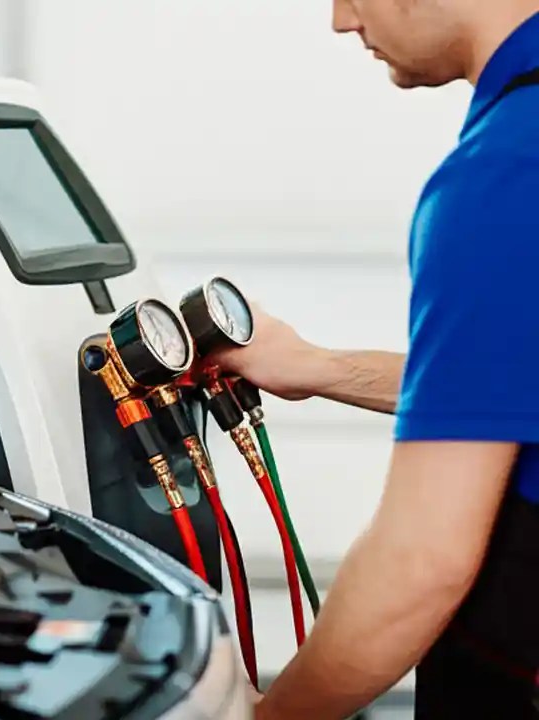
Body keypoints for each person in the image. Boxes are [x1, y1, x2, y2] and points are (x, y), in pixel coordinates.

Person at [215, 1, 539, 717]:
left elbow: (422, 563)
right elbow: (516, 388)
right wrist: (321, 367)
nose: (340, 19)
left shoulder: (506, 173)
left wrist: (268, 717)